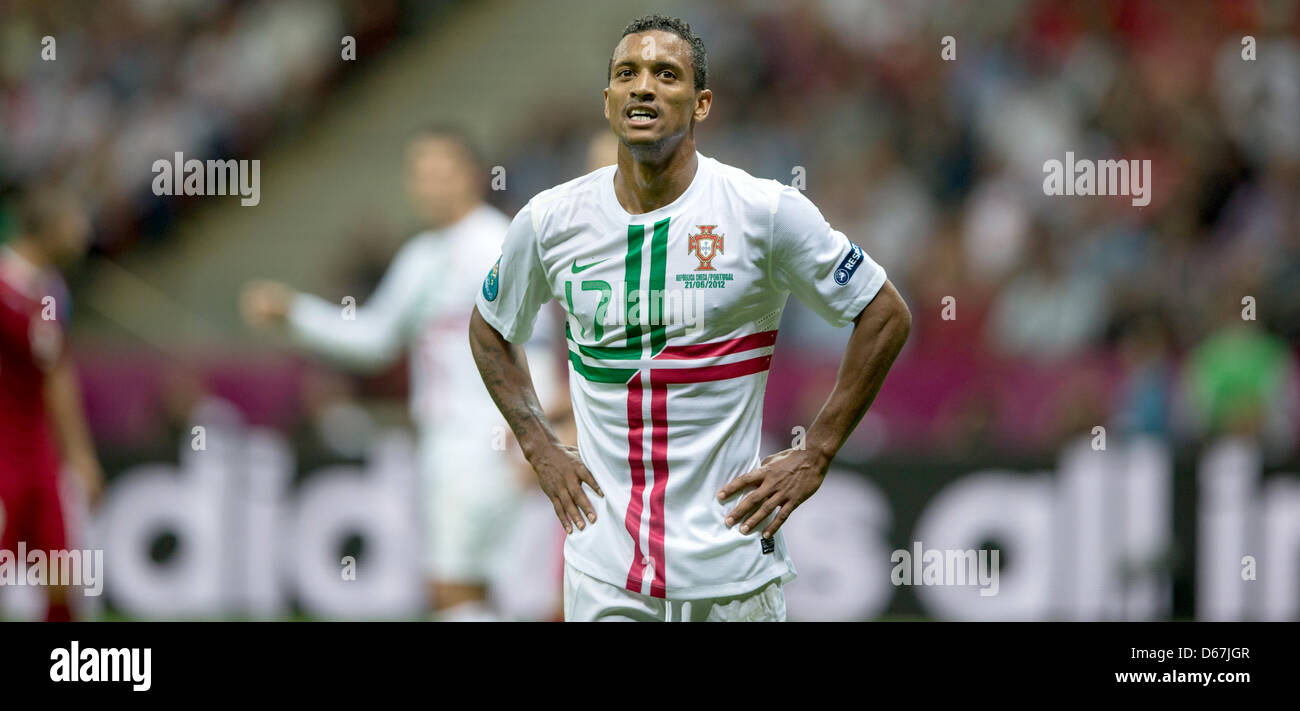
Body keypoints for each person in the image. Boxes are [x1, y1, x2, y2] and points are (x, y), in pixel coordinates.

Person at [468, 15, 911, 621]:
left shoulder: (764, 212)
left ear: (701, 104)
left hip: (732, 568)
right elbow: (489, 327)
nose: (643, 87)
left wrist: (818, 451)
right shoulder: (550, 222)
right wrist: (538, 445)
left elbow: (884, 313)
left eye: (666, 74)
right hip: (606, 570)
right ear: (608, 101)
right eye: (628, 73)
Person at [241, 126, 560, 621]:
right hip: (453, 439)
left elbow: (534, 339)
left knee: (455, 587)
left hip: (487, 440)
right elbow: (375, 337)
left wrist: (531, 432)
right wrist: (295, 314)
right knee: (481, 586)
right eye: (420, 173)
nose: (429, 185)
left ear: (472, 175)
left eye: (441, 172)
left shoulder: (494, 243)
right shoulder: (425, 254)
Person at [0, 185, 104, 621]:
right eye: (76, 222)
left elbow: (58, 374)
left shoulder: (53, 290)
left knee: (61, 576)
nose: (84, 233)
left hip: (38, 451)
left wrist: (79, 453)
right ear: (50, 226)